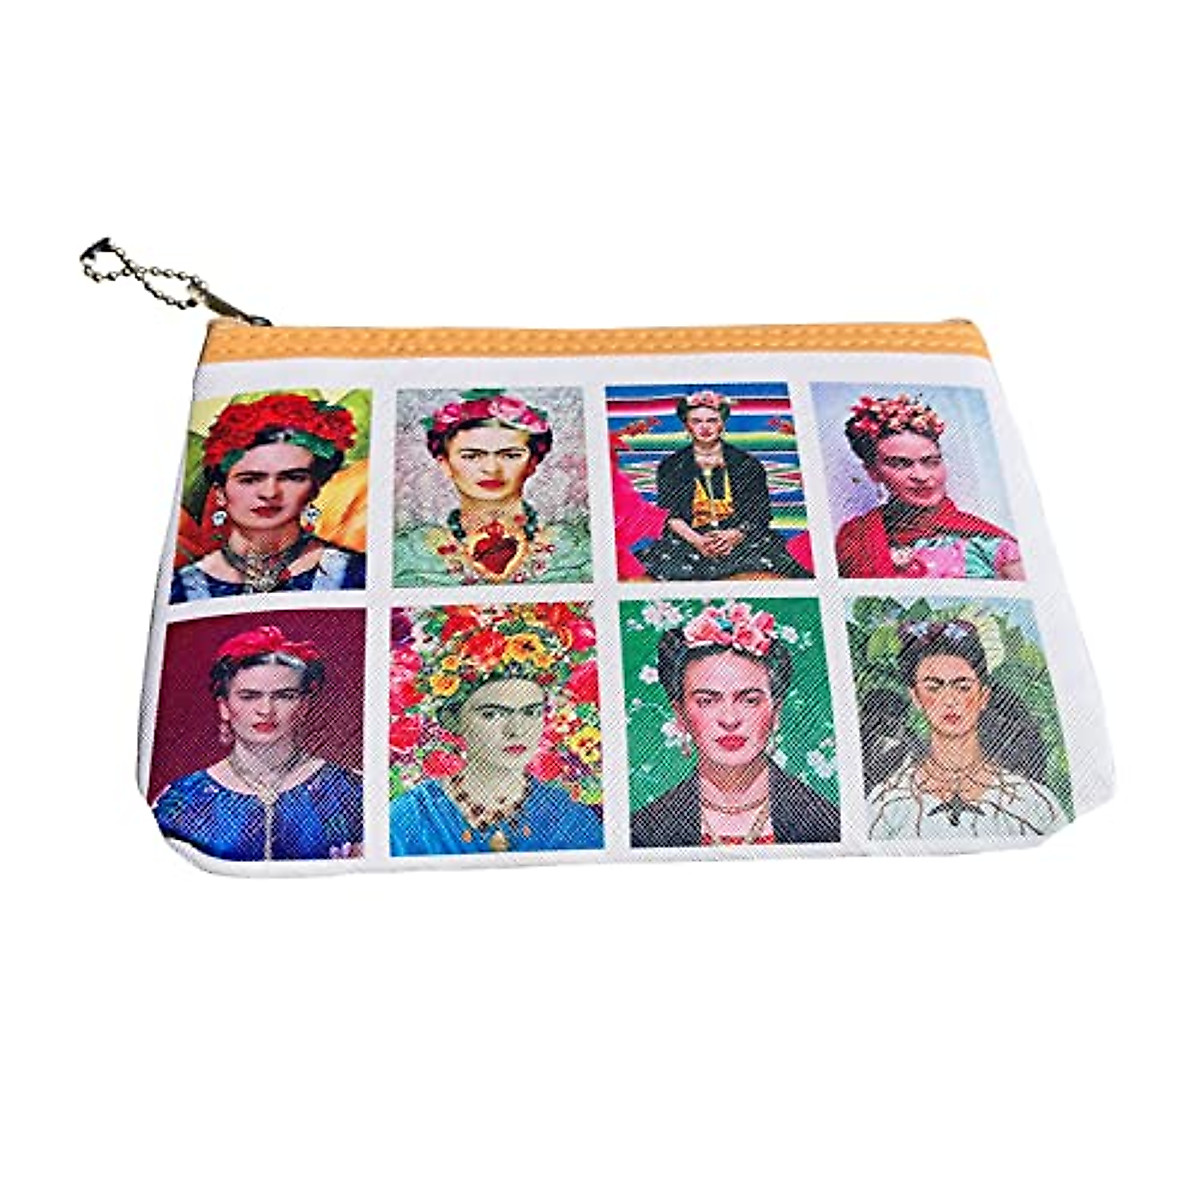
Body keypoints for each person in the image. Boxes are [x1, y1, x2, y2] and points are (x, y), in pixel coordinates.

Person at [390, 605, 604, 855]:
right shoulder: (409, 820)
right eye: (491, 714)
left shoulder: (570, 818)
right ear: (452, 720)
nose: (516, 731)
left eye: (530, 712)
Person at [631, 601, 839, 848]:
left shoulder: (825, 822)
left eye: (749, 700)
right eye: (707, 701)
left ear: (775, 712)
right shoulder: (644, 830)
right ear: (680, 715)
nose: (730, 720)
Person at [153, 626, 363, 861]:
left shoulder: (351, 791)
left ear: (304, 706)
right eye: (249, 696)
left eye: (284, 696)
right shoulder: (182, 801)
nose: (266, 710)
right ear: (224, 706)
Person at [868, 620, 1066, 839]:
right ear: (915, 697)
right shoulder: (887, 803)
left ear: (983, 696)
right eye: (933, 687)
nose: (950, 700)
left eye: (963, 687)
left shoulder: (1032, 802)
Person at [171, 392, 366, 601]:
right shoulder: (181, 588)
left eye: (291, 478)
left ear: (314, 489)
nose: (270, 492)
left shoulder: (357, 574)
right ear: (220, 493)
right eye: (250, 479)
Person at [394, 389, 591, 585]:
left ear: (532, 463)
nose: (491, 469)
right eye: (472, 456)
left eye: (510, 455)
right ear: (444, 463)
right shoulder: (412, 552)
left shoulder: (570, 547)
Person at [836, 394, 1024, 579]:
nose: (921, 476)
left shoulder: (988, 544)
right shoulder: (856, 539)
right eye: (900, 464)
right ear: (873, 472)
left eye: (931, 462)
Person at [635, 391, 810, 580]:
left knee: (778, 568)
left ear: (722, 424)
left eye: (712, 420)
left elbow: (760, 513)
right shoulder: (671, 465)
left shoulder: (747, 464)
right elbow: (669, 515)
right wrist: (698, 540)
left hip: (742, 538)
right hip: (687, 540)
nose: (705, 427)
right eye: (696, 421)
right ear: (687, 425)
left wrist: (734, 535)